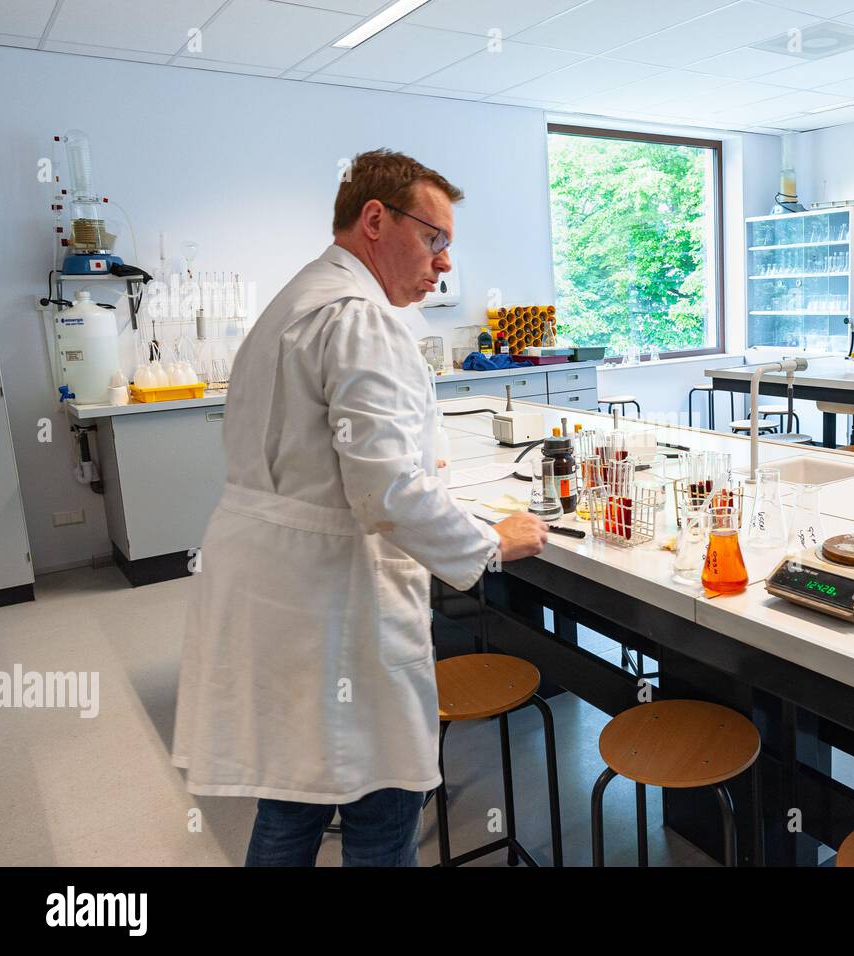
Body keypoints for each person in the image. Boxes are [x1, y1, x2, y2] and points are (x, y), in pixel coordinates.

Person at [171, 149, 548, 866]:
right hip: (332, 598)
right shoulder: (360, 319)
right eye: (434, 238)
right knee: (383, 803)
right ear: (375, 219)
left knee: (294, 800)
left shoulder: (296, 300)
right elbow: (388, 493)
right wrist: (490, 542)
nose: (442, 263)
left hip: (277, 588)